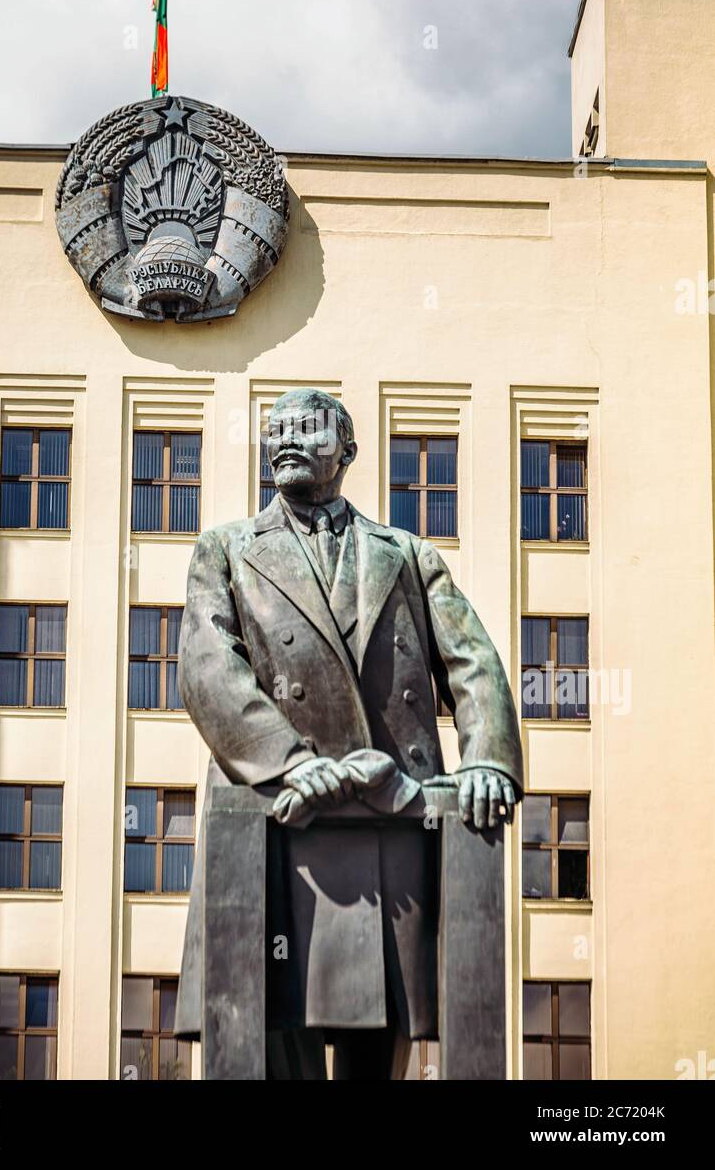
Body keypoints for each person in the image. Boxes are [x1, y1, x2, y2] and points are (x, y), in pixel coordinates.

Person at [174, 387, 523, 1079]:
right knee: (269, 1033)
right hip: (274, 822)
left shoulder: (406, 554)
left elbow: (472, 661)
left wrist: (488, 759)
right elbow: (207, 668)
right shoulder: (226, 549)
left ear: (349, 450)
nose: (288, 439)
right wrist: (287, 762)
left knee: (381, 1036)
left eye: (308, 428)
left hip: (391, 821)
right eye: (277, 429)